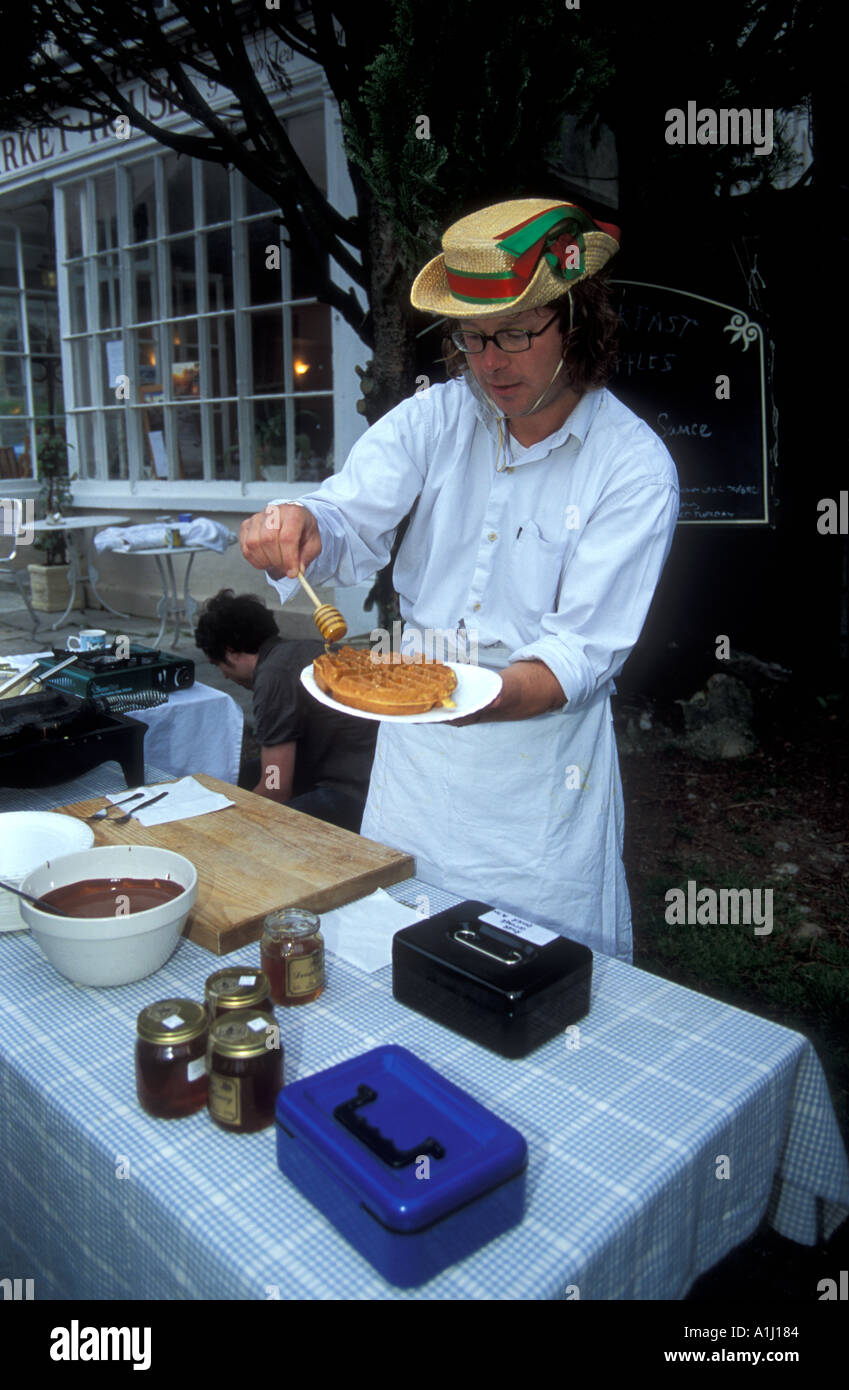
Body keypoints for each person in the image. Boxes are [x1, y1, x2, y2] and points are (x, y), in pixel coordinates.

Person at [239, 198, 679, 961]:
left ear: (574, 319)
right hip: (415, 772)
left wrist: (478, 695)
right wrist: (299, 521)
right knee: (402, 963)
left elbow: (581, 653)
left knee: (536, 989)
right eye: (471, 337)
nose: (490, 362)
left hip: (540, 783)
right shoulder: (434, 419)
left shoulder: (632, 468)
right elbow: (346, 516)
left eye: (514, 331)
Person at [194, 589, 377, 832]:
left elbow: (276, 788)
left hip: (356, 793)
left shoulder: (273, 677)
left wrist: (228, 826)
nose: (224, 676)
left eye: (218, 665)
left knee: (259, 831)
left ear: (230, 652)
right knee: (240, 774)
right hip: (368, 768)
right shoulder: (308, 649)